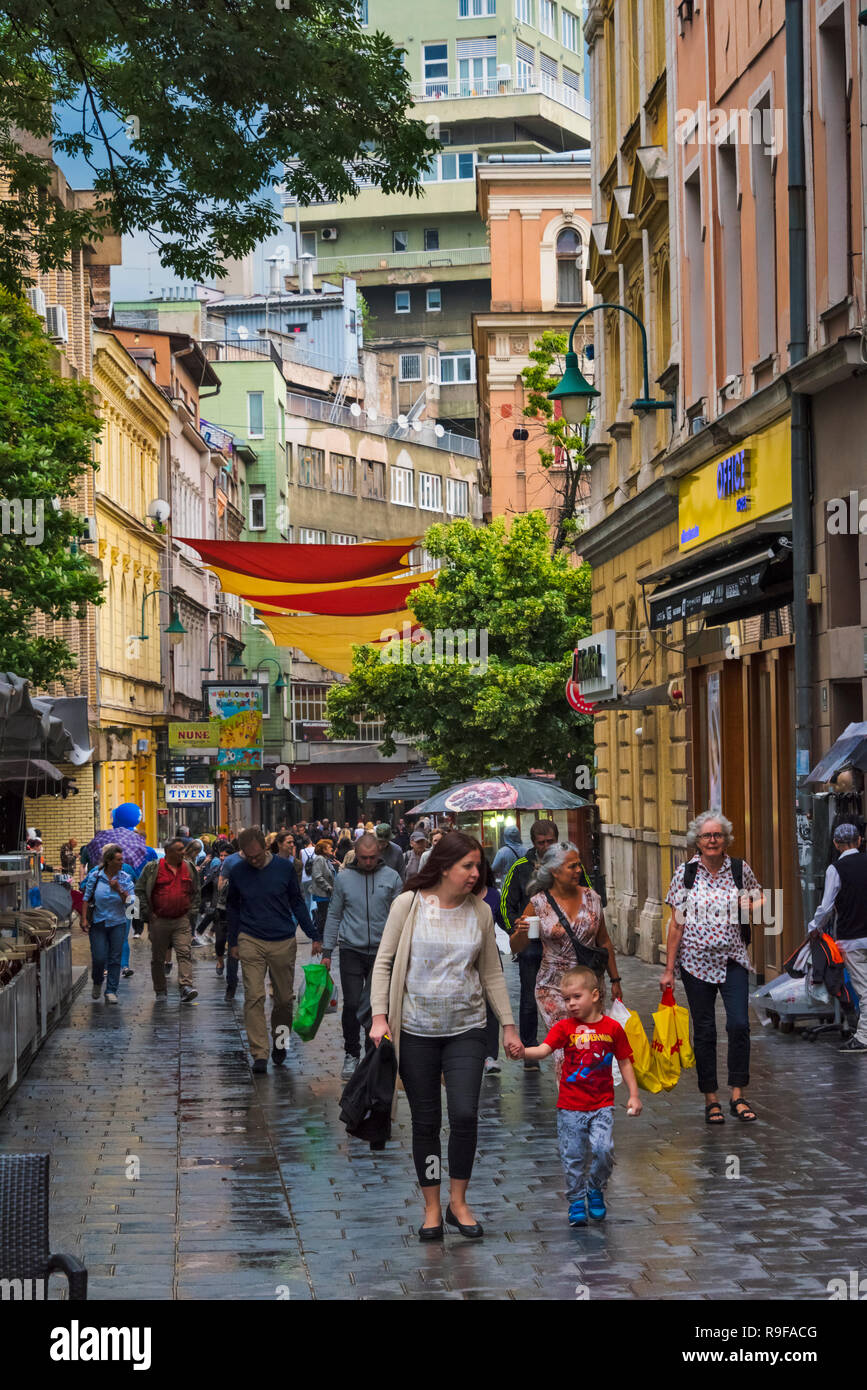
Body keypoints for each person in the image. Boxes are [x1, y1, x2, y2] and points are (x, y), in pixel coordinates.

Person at [369, 831, 521, 1241]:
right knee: (426, 1121)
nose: (475, 874)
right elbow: (383, 964)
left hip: (467, 1029)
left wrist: (507, 1024)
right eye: (467, 866)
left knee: (466, 1114)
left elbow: (491, 972)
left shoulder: (481, 912)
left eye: (478, 866)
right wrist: (380, 1018)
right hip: (415, 1030)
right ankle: (432, 1207)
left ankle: (459, 1202)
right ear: (444, 866)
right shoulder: (409, 905)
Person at [660, 810, 762, 1124]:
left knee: (739, 1026)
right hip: (694, 963)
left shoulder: (738, 868)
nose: (713, 840)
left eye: (717, 835)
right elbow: (676, 925)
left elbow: (760, 897)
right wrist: (668, 969)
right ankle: (711, 1099)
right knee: (704, 1031)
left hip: (733, 959)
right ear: (698, 841)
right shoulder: (685, 874)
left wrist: (752, 904)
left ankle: (738, 1095)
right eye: (707, 836)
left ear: (725, 839)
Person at [519, 967, 641, 1226]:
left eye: (576, 997)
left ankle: (595, 1188)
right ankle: (576, 1201)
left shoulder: (612, 1028)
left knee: (603, 1149)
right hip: (570, 1107)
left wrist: (633, 1094)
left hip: (602, 1105)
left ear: (595, 995)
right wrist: (522, 1052)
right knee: (572, 1155)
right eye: (566, 999)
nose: (571, 1004)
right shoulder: (564, 1028)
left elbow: (625, 1061)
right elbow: (543, 1050)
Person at [512, 842, 619, 1081]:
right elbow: (516, 947)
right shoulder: (538, 903)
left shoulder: (592, 898)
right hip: (553, 987)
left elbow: (604, 942)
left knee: (589, 1046)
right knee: (564, 1048)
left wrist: (615, 979)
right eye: (571, 866)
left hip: (589, 985)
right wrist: (520, 932)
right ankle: (570, 1103)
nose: (578, 870)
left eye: (578, 865)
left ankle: (590, 1098)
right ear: (554, 871)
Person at [226, 826, 321, 1074]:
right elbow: (233, 908)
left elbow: (297, 902)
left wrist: (313, 934)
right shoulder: (238, 871)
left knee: (283, 1000)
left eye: (257, 855)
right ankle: (259, 1053)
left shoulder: (284, 868)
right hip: (250, 938)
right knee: (254, 996)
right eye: (249, 857)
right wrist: (233, 942)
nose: (254, 861)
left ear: (265, 847)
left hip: (282, 939)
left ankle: (281, 1043)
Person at [321, 832, 403, 1079]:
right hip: (351, 948)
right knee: (354, 1003)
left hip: (382, 950)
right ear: (356, 855)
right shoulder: (344, 879)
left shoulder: (392, 877)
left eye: (372, 857)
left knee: (377, 1005)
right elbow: (334, 914)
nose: (368, 862)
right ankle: (351, 1052)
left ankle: (372, 1053)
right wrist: (327, 950)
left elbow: (401, 916)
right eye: (364, 858)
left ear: (379, 854)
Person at [500, 819, 560, 1067]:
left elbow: (585, 895)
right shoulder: (521, 867)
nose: (546, 846)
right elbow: (506, 904)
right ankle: (530, 1049)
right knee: (528, 997)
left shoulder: (567, 865)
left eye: (550, 841)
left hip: (560, 945)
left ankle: (564, 1044)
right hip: (532, 946)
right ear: (533, 843)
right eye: (541, 842)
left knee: (564, 996)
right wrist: (517, 928)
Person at [808, 822, 867, 1054]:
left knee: (864, 989)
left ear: (835, 844)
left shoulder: (836, 869)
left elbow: (827, 906)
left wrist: (814, 927)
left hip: (851, 937)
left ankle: (863, 1037)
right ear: (860, 840)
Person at [136, 836, 201, 1003]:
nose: (183, 852)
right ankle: (160, 989)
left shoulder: (189, 867)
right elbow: (140, 890)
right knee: (158, 958)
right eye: (179, 850)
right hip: (159, 921)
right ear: (167, 852)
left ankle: (186, 986)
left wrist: (191, 912)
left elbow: (196, 891)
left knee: (184, 952)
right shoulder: (153, 868)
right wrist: (148, 913)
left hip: (182, 920)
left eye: (183, 849)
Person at [81, 845, 135, 1004]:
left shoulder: (125, 877)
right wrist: (84, 919)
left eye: (122, 859)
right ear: (109, 861)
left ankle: (111, 990)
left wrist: (119, 889)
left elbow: (132, 906)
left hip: (118, 922)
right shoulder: (95, 876)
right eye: (118, 860)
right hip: (98, 922)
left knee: (115, 958)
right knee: (98, 957)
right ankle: (97, 982)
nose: (121, 862)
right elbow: (86, 897)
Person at [309, 837, 336, 936]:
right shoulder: (320, 859)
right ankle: (321, 937)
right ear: (324, 850)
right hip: (322, 894)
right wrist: (328, 887)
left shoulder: (326, 860)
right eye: (329, 847)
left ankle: (323, 936)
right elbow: (317, 876)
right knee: (323, 917)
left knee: (325, 916)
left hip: (326, 894)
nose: (331, 849)